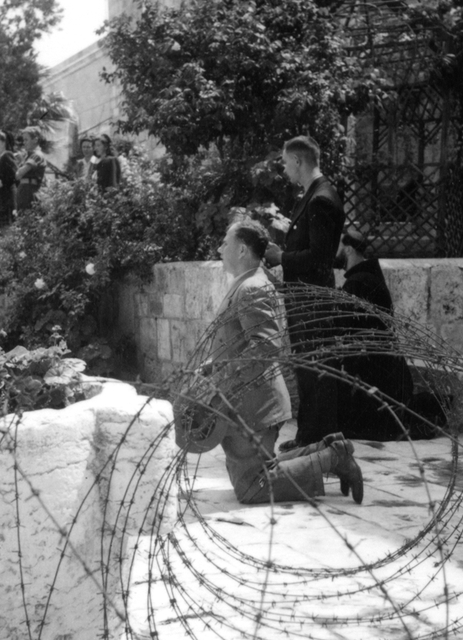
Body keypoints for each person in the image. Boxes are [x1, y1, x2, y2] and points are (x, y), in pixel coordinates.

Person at [177, 218, 363, 505]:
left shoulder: (252, 287)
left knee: (253, 487)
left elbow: (265, 348)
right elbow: (241, 342)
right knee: (257, 474)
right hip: (245, 401)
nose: (219, 248)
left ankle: (332, 458)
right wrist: (214, 366)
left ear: (241, 250)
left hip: (255, 404)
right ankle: (329, 450)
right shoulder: (246, 284)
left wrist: (222, 374)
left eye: (225, 243)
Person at [263, 135, 344, 451]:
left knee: (315, 370)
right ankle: (310, 436)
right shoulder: (315, 194)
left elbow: (321, 257)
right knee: (308, 367)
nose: (285, 170)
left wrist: (280, 258)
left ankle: (316, 439)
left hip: (313, 301)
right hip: (305, 297)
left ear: (298, 160)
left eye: (286, 162)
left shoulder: (320, 199)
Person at [336, 225, 448, 440]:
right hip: (381, 365)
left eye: (339, 246)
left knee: (369, 427)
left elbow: (352, 330)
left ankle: (433, 407)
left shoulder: (359, 282)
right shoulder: (366, 277)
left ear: (349, 249)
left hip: (376, 369)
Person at [15, 127, 46, 210]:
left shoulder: (37, 155)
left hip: (30, 191)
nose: (24, 143)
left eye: (26, 140)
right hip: (23, 190)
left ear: (35, 140)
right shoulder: (27, 156)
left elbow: (19, 174)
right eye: (23, 140)